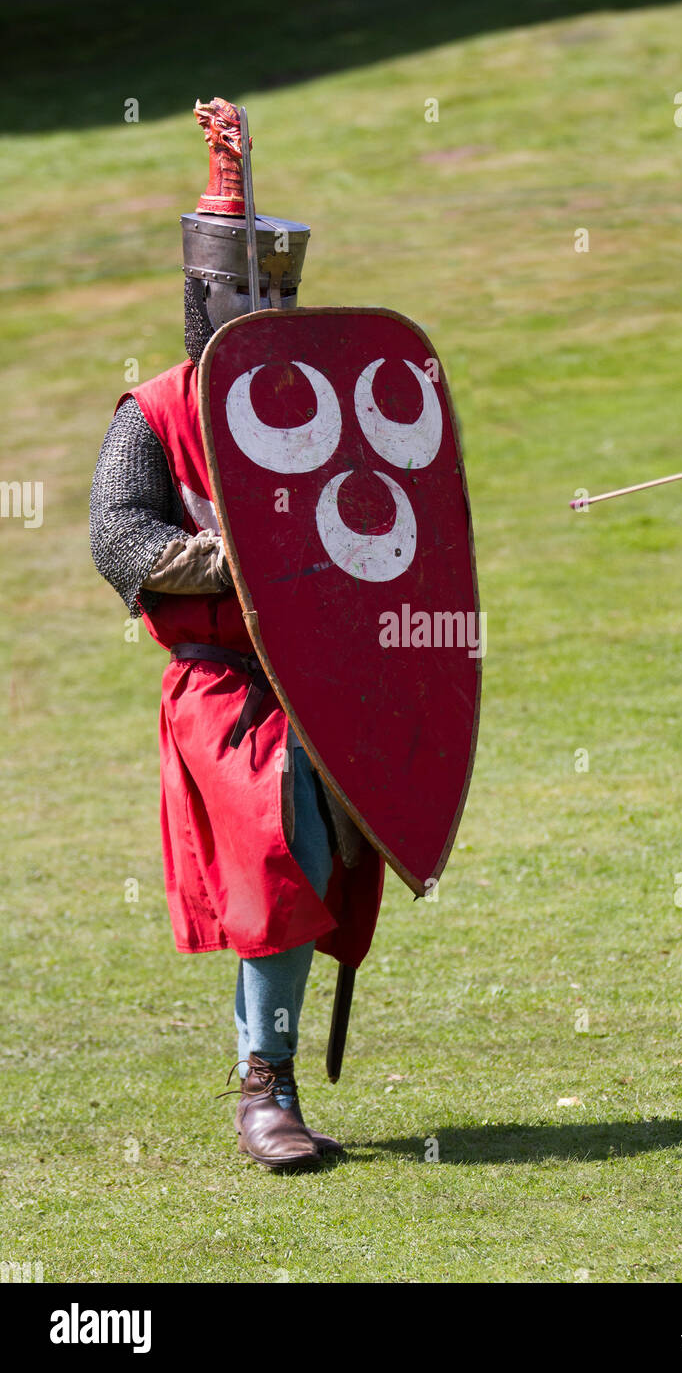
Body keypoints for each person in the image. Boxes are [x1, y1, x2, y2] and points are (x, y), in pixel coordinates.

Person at [90, 98, 384, 1172]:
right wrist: (239, 566)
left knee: (329, 857)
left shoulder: (325, 404)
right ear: (201, 299)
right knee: (280, 845)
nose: (259, 313)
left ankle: (271, 1070)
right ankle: (267, 1086)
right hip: (220, 685)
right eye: (239, 294)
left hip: (318, 679)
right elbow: (121, 540)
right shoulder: (157, 413)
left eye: (275, 295)